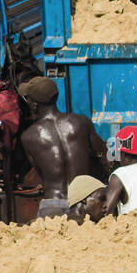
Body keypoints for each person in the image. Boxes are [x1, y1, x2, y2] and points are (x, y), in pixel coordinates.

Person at [18, 75, 107, 219]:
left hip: (53, 206)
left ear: (34, 104)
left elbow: (41, 174)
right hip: (83, 202)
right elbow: (105, 156)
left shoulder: (29, 137)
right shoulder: (81, 123)